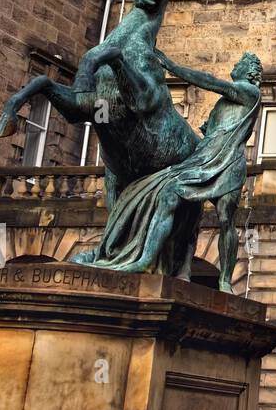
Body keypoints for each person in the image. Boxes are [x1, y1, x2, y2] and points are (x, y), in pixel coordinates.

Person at [88, 52, 262, 292]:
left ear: (250, 71)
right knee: (169, 193)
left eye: (240, 63)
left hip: (229, 164)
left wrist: (171, 66)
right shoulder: (227, 103)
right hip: (202, 161)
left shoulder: (249, 91)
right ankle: (146, 259)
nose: (235, 65)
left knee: (226, 220)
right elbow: (211, 129)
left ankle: (224, 280)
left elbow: (209, 81)